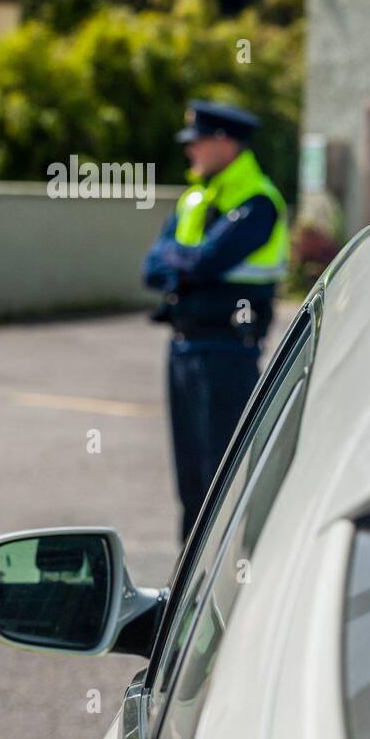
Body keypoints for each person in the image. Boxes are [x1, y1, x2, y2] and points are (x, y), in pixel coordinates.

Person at [142, 100, 289, 542]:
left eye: (197, 143)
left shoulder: (258, 200)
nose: (190, 153)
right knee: (190, 482)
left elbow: (205, 262)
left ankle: (232, 579)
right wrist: (186, 265)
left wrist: (185, 265)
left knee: (222, 480)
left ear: (225, 143)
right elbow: (150, 268)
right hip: (184, 348)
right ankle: (190, 584)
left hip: (228, 351)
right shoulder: (194, 199)